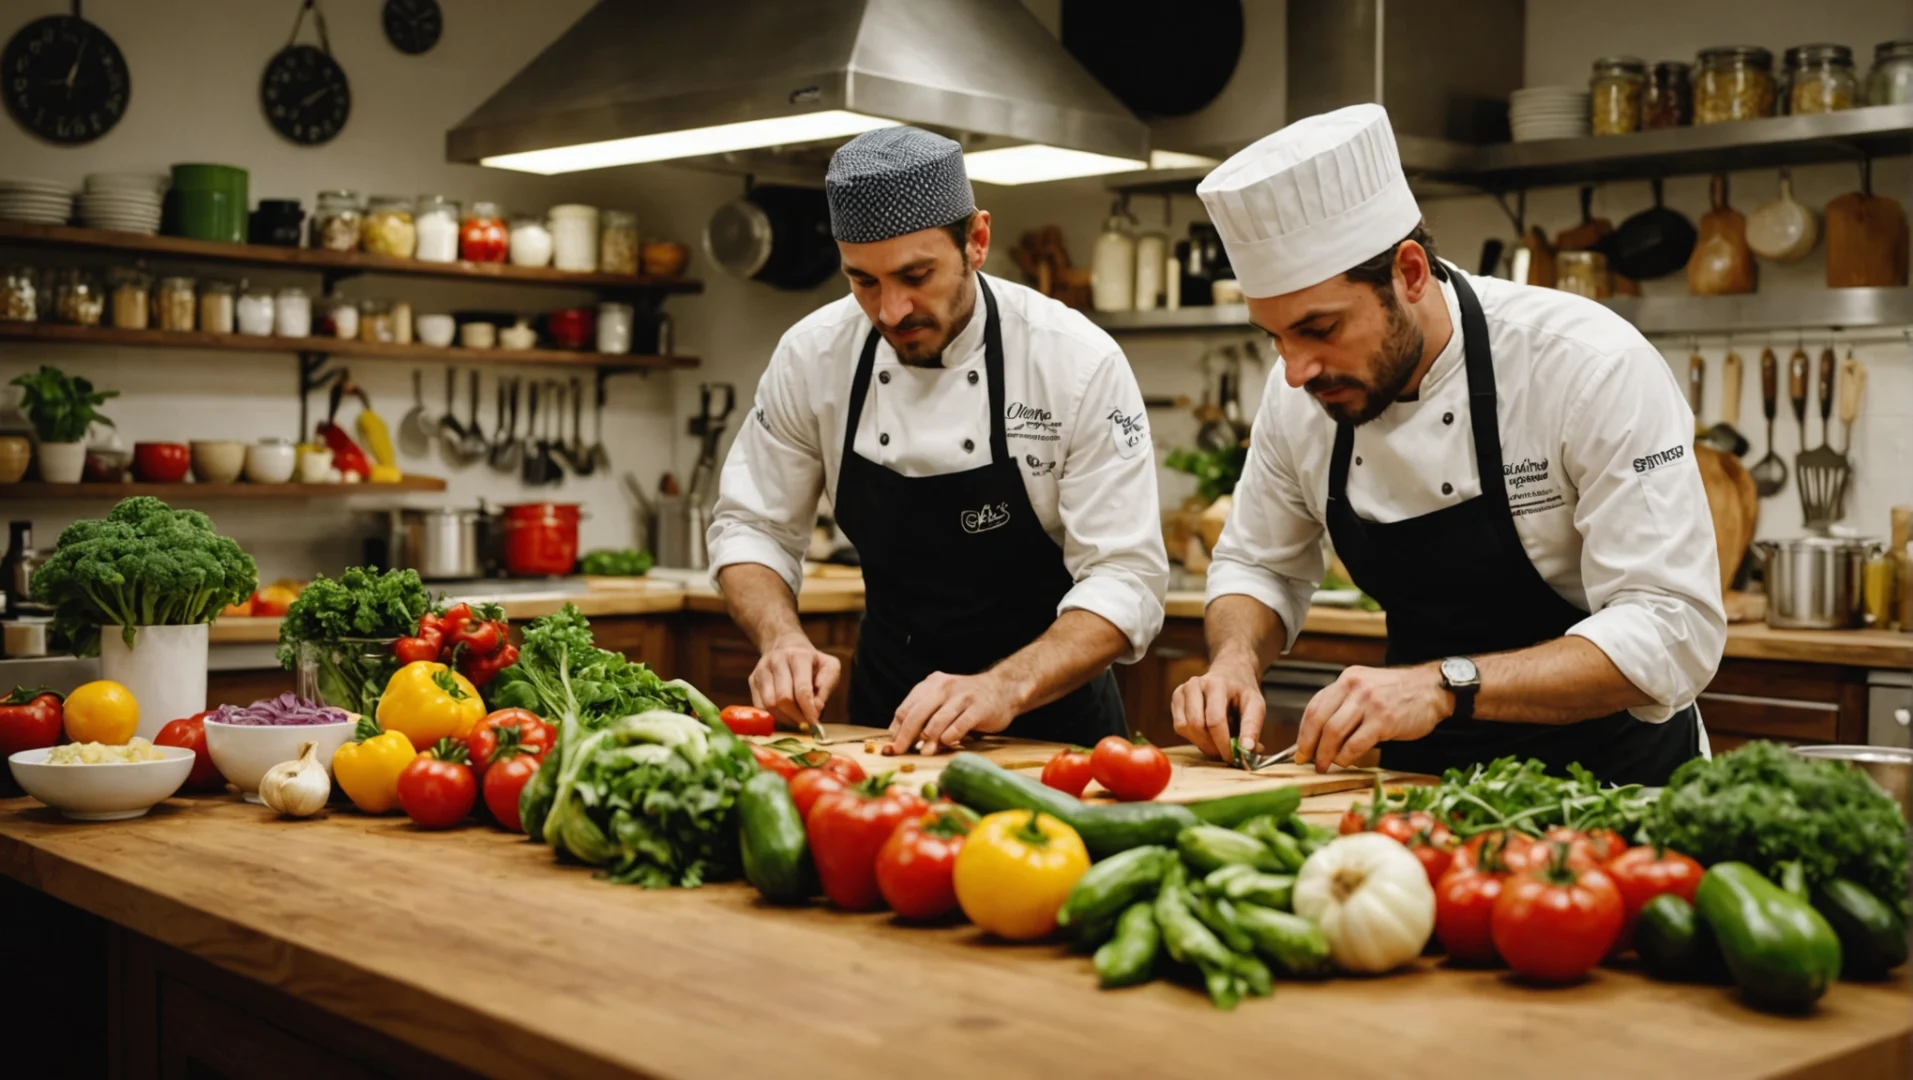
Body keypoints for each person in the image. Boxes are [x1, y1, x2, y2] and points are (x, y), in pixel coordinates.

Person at [1170, 104, 1725, 786]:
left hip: (1612, 787)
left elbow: (1672, 629)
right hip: (1420, 789)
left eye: (1319, 328)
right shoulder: (1302, 394)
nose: (1294, 370)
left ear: (1407, 273)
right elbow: (1259, 565)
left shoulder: (1583, 364)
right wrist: (1232, 661)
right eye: (1274, 337)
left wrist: (1442, 685)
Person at [709, 126, 1169, 754]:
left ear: (977, 240)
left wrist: (1002, 687)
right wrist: (781, 637)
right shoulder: (813, 355)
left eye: (916, 275)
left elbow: (1126, 577)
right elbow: (751, 525)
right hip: (887, 724)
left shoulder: (1075, 362)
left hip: (1053, 731)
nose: (892, 310)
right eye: (863, 281)